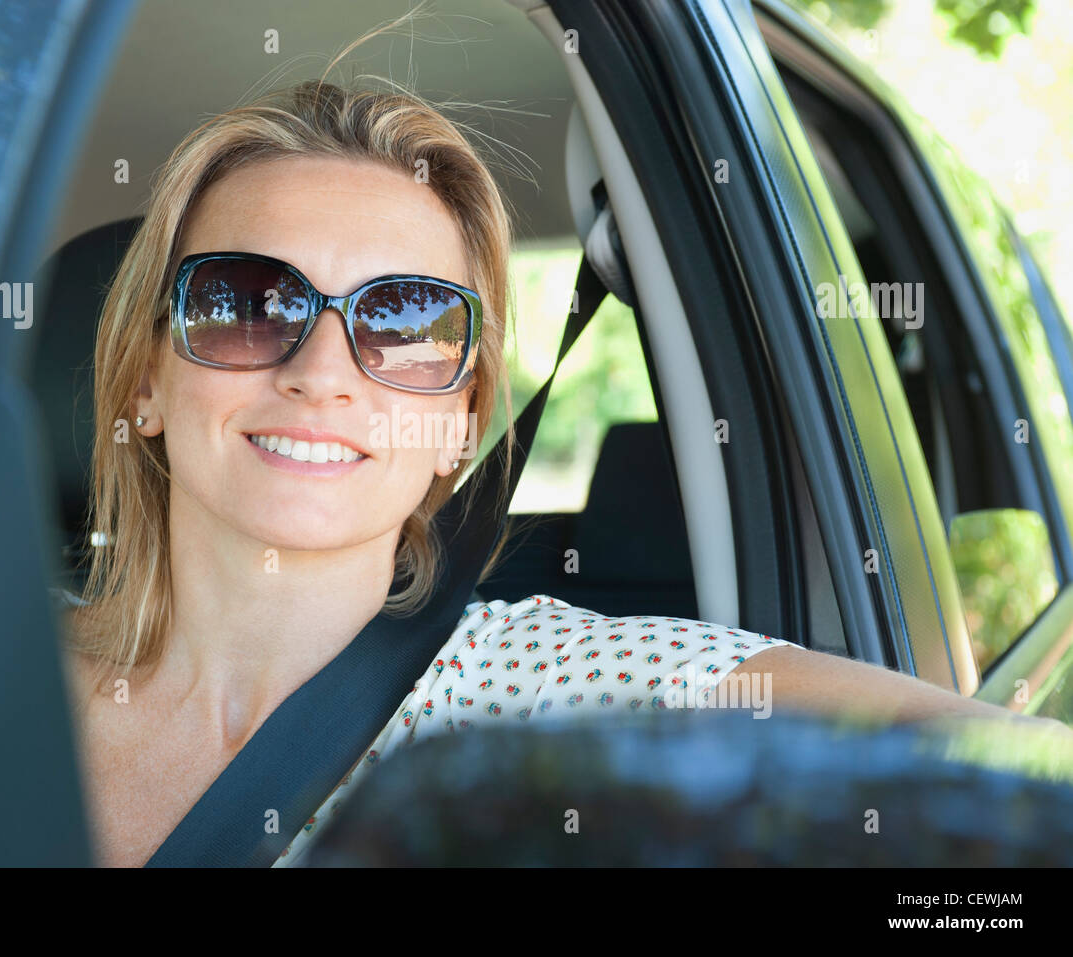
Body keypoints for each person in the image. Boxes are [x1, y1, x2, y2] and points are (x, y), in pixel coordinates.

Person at [58, 74, 1064, 869]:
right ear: (144, 380)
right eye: (246, 303)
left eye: (404, 322)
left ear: (461, 419)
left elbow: (1027, 789)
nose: (322, 374)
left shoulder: (568, 696)